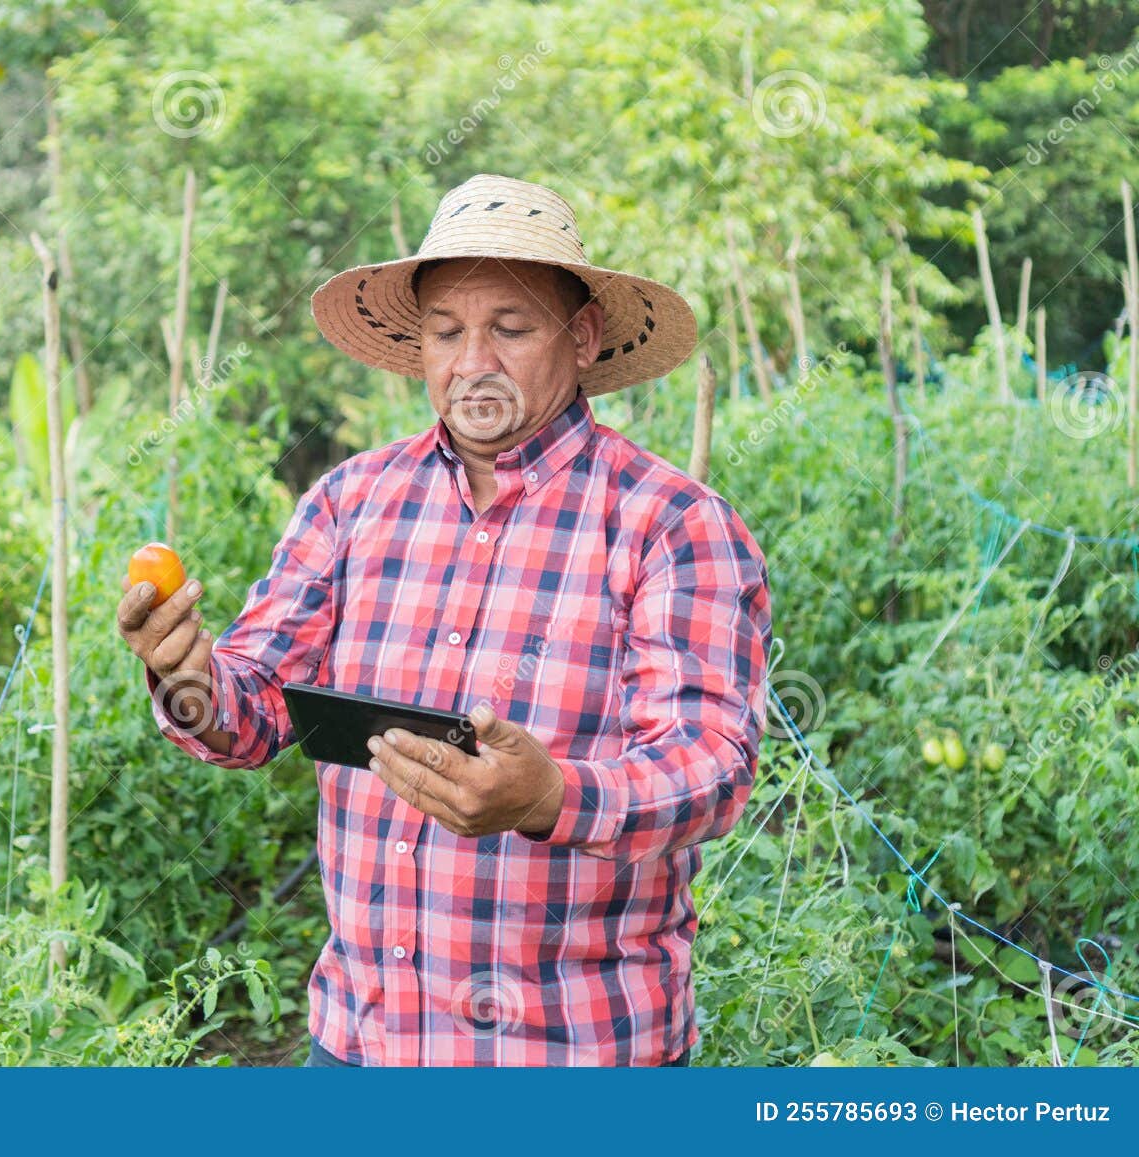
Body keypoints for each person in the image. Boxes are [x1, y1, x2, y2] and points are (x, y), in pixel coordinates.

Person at [115, 173, 772, 1067]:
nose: (473, 363)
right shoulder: (351, 502)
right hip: (362, 1042)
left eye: (510, 328)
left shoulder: (670, 524)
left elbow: (711, 766)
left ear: (580, 337)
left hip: (573, 1052)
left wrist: (550, 797)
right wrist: (188, 677)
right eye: (447, 331)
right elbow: (256, 710)